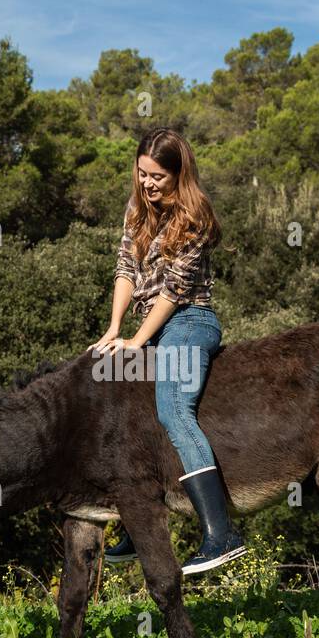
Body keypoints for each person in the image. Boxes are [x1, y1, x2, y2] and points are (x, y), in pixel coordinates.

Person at [87, 127, 247, 575]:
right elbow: (125, 267)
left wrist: (137, 342)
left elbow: (175, 292)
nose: (148, 183)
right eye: (142, 174)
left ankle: (221, 534)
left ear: (179, 174)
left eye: (157, 176)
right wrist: (115, 328)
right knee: (117, 405)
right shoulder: (136, 212)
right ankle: (140, 526)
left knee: (174, 408)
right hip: (147, 325)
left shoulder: (195, 218)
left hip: (187, 322)